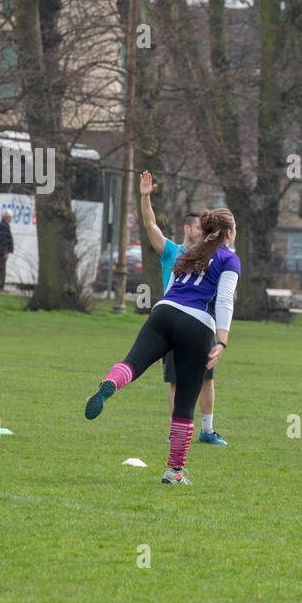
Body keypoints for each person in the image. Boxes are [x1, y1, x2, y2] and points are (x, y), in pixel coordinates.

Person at [84, 207, 239, 485]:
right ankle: (174, 471)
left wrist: (163, 340)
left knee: (131, 364)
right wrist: (223, 341)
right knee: (184, 405)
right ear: (229, 233)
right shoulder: (229, 259)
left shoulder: (188, 252)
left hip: (163, 312)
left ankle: (110, 382)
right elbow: (226, 299)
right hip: (198, 324)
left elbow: (173, 287)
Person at [139, 170, 226, 446]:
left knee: (206, 380)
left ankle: (207, 430)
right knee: (176, 381)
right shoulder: (171, 251)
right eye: (200, 226)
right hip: (173, 322)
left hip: (201, 324)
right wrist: (145, 198)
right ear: (189, 229)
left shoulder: (212, 256)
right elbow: (151, 225)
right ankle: (174, 432)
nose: (205, 231)